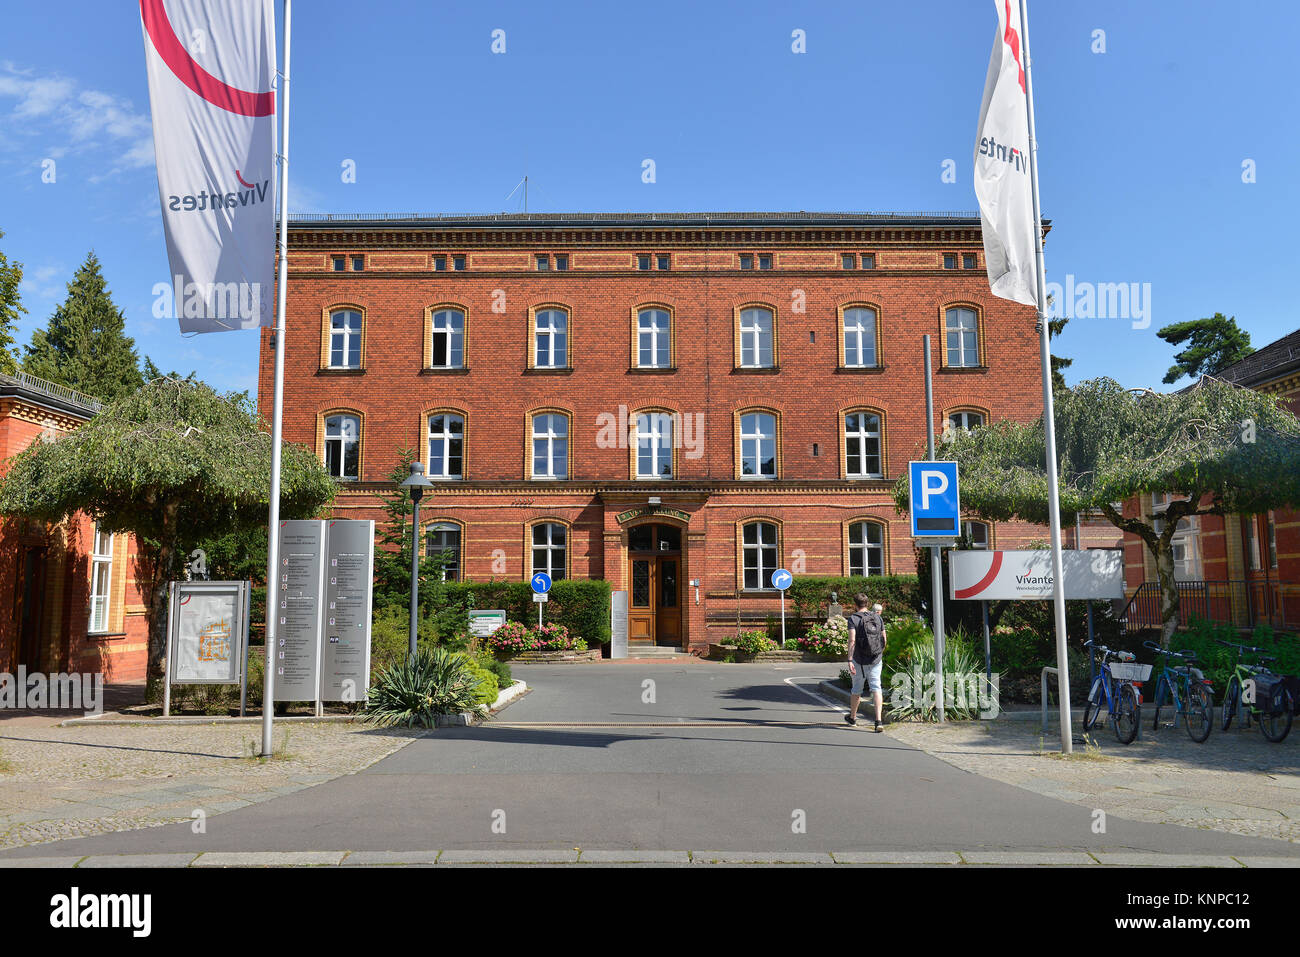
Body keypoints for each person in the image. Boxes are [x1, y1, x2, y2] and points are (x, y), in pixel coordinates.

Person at [844, 592, 886, 731]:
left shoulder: (853, 619)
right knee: (876, 688)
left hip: (859, 660)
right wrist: (878, 654)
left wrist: (850, 659)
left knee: (857, 689)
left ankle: (853, 718)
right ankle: (878, 721)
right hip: (876, 659)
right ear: (867, 603)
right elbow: (884, 639)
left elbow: (852, 641)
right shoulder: (877, 618)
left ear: (855, 605)